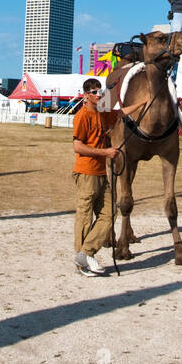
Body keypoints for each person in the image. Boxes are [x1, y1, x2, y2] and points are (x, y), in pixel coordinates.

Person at [72, 77, 120, 277]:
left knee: (111, 212)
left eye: (99, 91)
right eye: (94, 92)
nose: (98, 94)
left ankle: (86, 252)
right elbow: (77, 146)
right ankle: (82, 262)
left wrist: (145, 100)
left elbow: (122, 112)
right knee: (85, 215)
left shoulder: (102, 112)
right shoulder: (82, 116)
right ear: (85, 95)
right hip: (86, 172)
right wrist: (105, 153)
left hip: (101, 173)